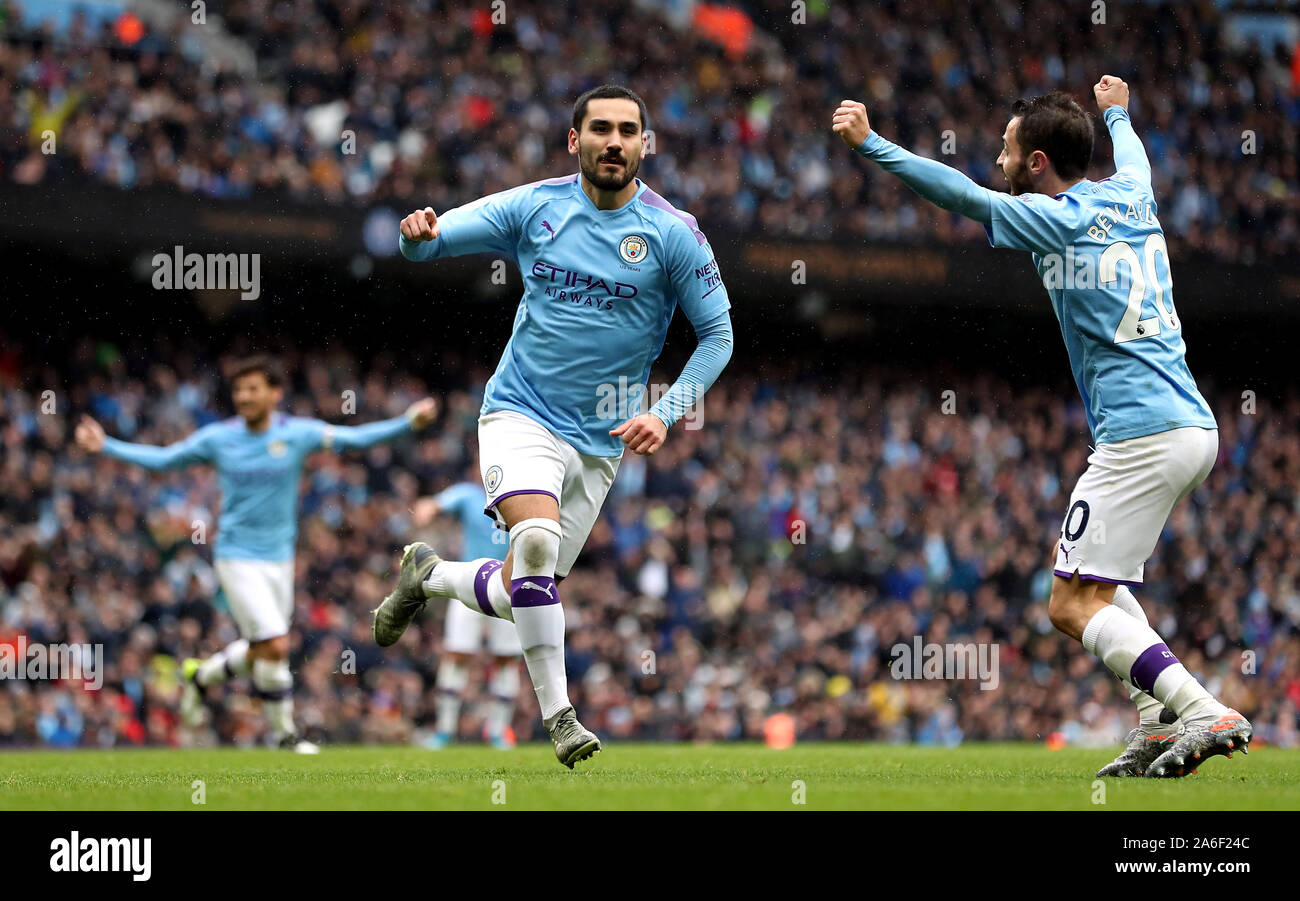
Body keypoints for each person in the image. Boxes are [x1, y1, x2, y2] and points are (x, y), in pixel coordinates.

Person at [832, 77, 1249, 777]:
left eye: (1004, 148)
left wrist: (873, 145)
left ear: (1036, 164)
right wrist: (1118, 107)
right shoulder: (1134, 193)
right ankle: (1154, 719)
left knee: (1066, 603)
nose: (996, 158)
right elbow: (1137, 154)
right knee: (1103, 585)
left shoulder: (1057, 217)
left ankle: (1201, 708)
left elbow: (964, 198)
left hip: (1141, 434)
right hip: (1189, 426)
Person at [373, 84, 734, 768]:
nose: (615, 141)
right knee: (534, 541)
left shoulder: (673, 233)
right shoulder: (535, 205)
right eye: (600, 128)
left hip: (599, 443)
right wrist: (416, 236)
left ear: (645, 145)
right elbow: (433, 242)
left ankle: (428, 574)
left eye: (629, 130)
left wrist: (664, 412)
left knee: (523, 587)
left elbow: (717, 335)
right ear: (575, 141)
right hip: (520, 413)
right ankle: (562, 720)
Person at [75, 355, 437, 752]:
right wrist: (105, 445)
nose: (244, 396)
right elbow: (166, 460)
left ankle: (201, 676)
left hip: (280, 562)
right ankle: (285, 737)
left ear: (274, 393)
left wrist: (407, 423)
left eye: (253, 388)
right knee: (276, 644)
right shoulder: (219, 438)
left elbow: (353, 439)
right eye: (239, 390)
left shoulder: (297, 434)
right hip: (236, 557)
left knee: (264, 646)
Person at [410, 462, 521, 751]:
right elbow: (435, 503)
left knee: (505, 659)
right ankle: (445, 731)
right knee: (457, 654)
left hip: (509, 585)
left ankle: (498, 731)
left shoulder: (520, 497)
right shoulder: (468, 495)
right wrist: (427, 507)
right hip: (470, 585)